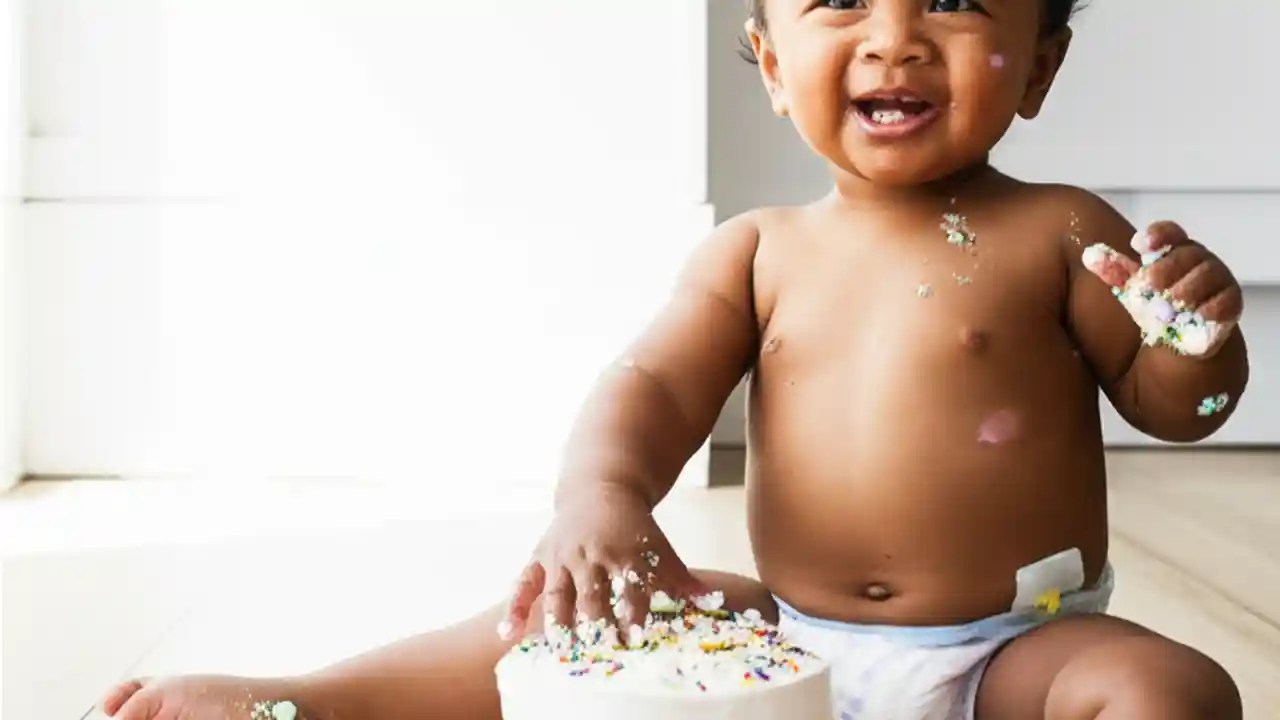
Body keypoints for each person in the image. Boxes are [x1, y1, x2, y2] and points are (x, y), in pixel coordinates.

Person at [101, 0, 1248, 717]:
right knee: (573, 624)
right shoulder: (756, 252)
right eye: (839, 1)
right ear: (769, 61)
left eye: (949, 1)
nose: (892, 35)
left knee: (1170, 689)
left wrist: (1192, 345)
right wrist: (600, 496)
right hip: (783, 648)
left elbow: (1175, 408)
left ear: (1038, 65)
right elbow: (649, 387)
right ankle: (312, 702)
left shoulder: (1061, 231)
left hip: (1011, 656)